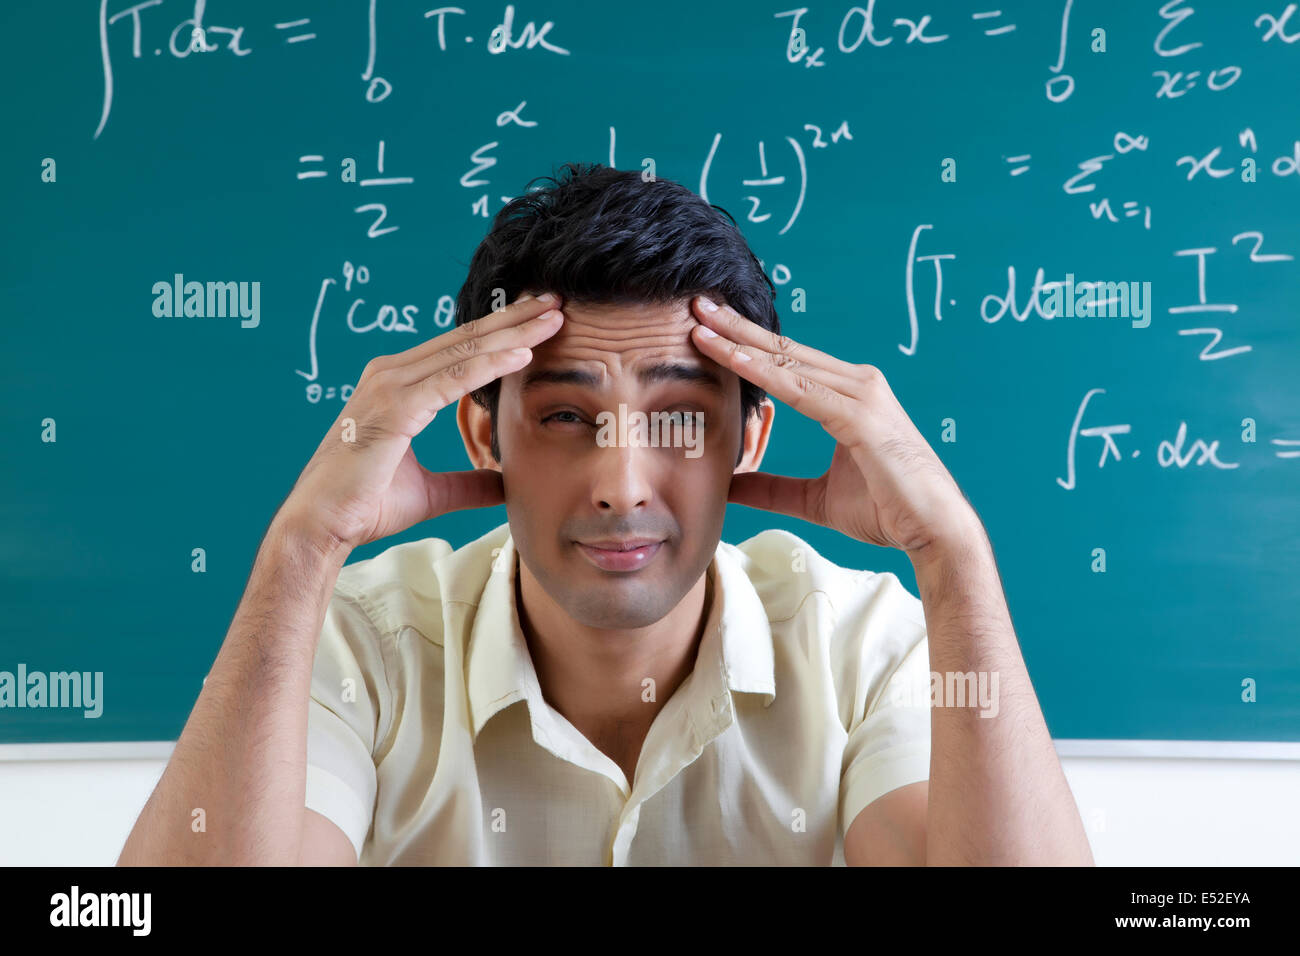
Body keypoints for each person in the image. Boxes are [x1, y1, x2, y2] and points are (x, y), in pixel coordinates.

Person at [118, 163, 1093, 866]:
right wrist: (300, 550)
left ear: (750, 437)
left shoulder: (864, 641)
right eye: (564, 414)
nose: (622, 483)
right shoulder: (361, 641)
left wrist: (954, 559)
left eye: (677, 416)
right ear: (481, 430)